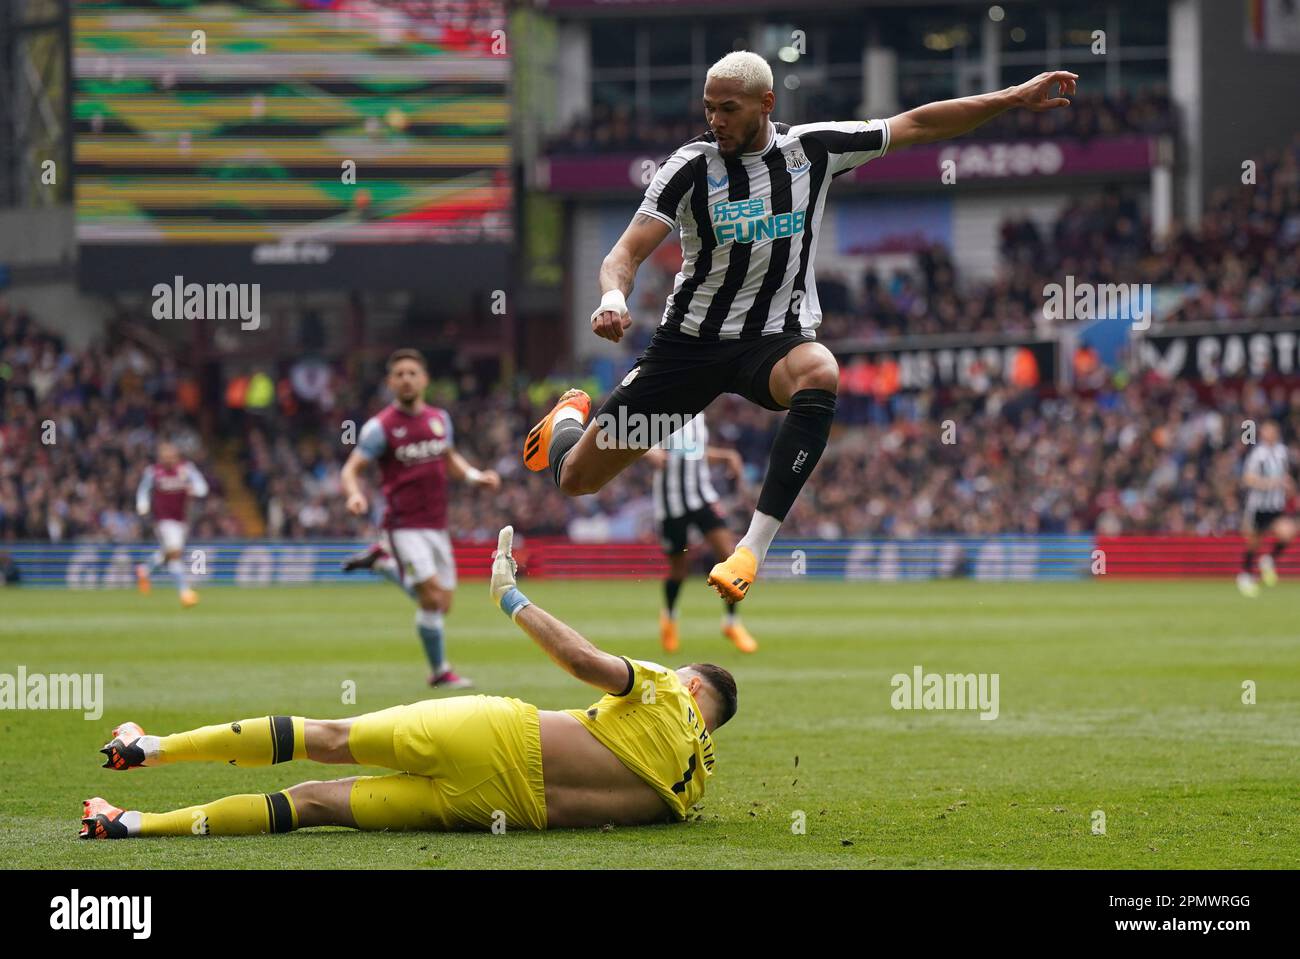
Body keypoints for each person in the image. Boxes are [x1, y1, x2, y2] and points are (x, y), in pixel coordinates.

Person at [524, 50, 1077, 603]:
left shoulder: (813, 149)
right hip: (688, 347)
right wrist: (614, 295)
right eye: (708, 108)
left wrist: (1012, 98)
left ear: (766, 104)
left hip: (771, 341)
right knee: (578, 479)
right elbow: (626, 250)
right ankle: (567, 422)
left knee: (820, 369)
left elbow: (919, 123)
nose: (715, 120)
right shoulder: (690, 167)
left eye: (728, 109)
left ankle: (750, 551)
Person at [80, 527, 737, 838]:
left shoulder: (667, 688)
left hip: (494, 733)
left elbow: (586, 662)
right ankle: (133, 824)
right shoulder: (688, 792)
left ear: (697, 688)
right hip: (491, 812)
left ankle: (149, 748)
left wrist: (510, 597)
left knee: (328, 736)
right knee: (312, 802)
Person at [340, 348, 500, 687]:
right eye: (399, 374)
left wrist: (474, 476)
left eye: (412, 372)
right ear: (390, 382)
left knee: (443, 604)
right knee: (431, 598)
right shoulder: (379, 427)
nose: (406, 379)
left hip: (437, 525)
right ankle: (440, 671)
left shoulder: (439, 419)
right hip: (403, 525)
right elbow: (351, 469)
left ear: (424, 379)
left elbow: (449, 457)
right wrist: (354, 494)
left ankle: (384, 564)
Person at [644, 412, 757, 653]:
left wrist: (726, 456)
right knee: (679, 569)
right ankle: (670, 619)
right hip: (670, 501)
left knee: (729, 557)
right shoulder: (656, 407)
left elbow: (696, 453)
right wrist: (648, 452)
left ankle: (731, 622)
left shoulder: (698, 413)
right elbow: (626, 439)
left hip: (702, 496)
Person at [134, 441, 209, 607]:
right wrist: (143, 505)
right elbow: (143, 489)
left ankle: (145, 569)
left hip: (181, 519)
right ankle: (185, 592)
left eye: (171, 456)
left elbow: (202, 486)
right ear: (160, 457)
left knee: (171, 552)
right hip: (163, 520)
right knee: (175, 553)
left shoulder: (186, 469)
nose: (168, 459)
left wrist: (195, 489)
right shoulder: (154, 471)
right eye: (165, 456)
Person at [1237, 420, 1295, 597]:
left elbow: (1285, 475)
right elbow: (1247, 478)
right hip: (1259, 506)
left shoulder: (1282, 452)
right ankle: (1245, 575)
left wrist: (1288, 486)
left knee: (1288, 532)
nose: (1269, 434)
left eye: (1272, 431)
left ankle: (1268, 560)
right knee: (1254, 542)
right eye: (1266, 431)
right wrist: (1269, 483)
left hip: (1276, 505)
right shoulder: (1257, 454)